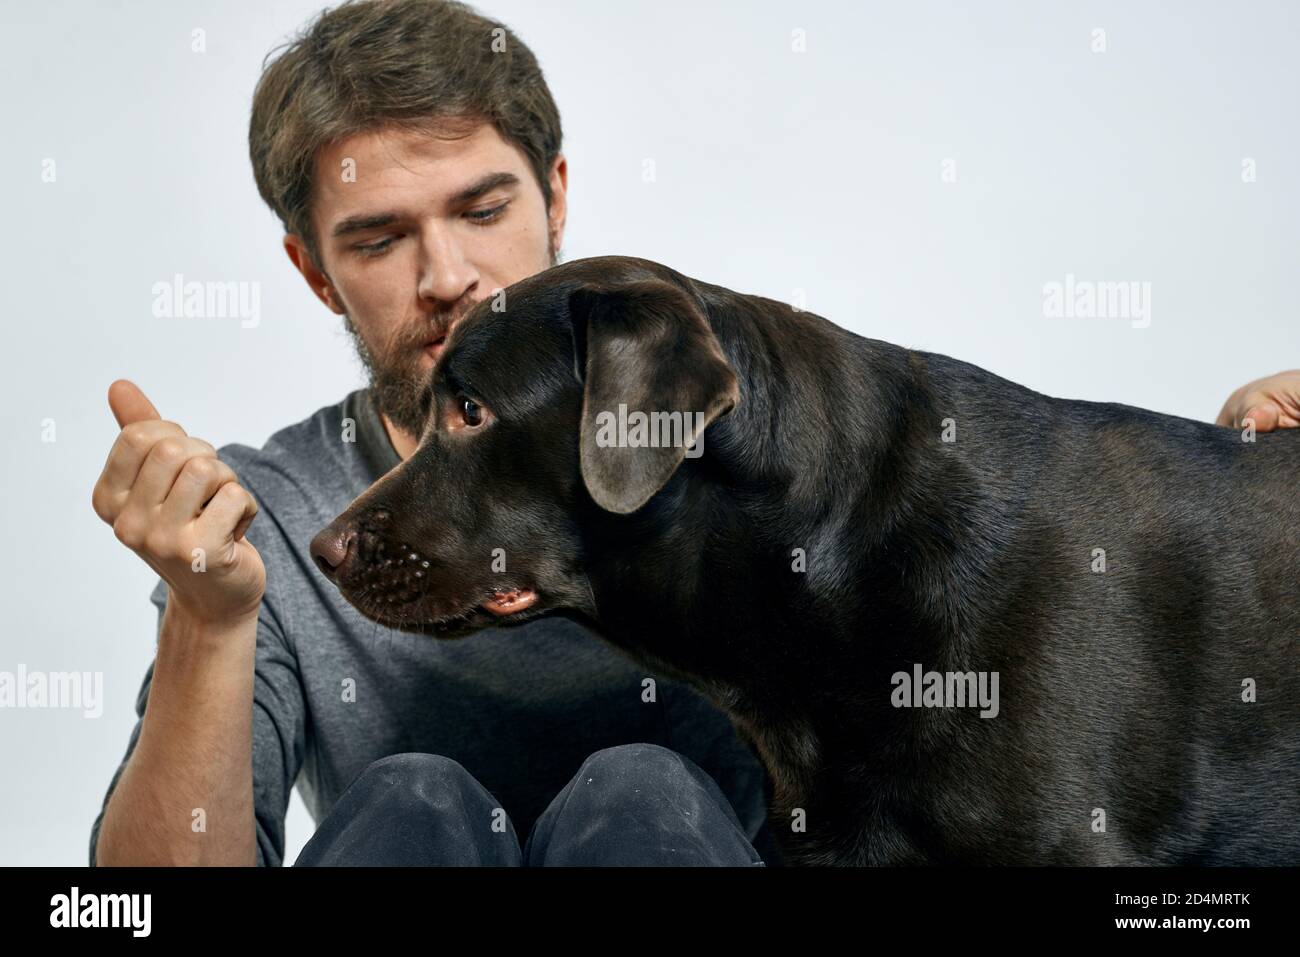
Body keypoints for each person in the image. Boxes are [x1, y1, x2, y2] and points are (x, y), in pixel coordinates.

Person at [88, 0, 1298, 867]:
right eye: (377, 238)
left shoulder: (722, 457)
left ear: (555, 194)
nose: (446, 274)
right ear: (312, 271)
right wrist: (209, 620)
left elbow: (1018, 598)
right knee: (415, 803)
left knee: (642, 793)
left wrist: (1249, 483)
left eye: (483, 207)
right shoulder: (268, 525)